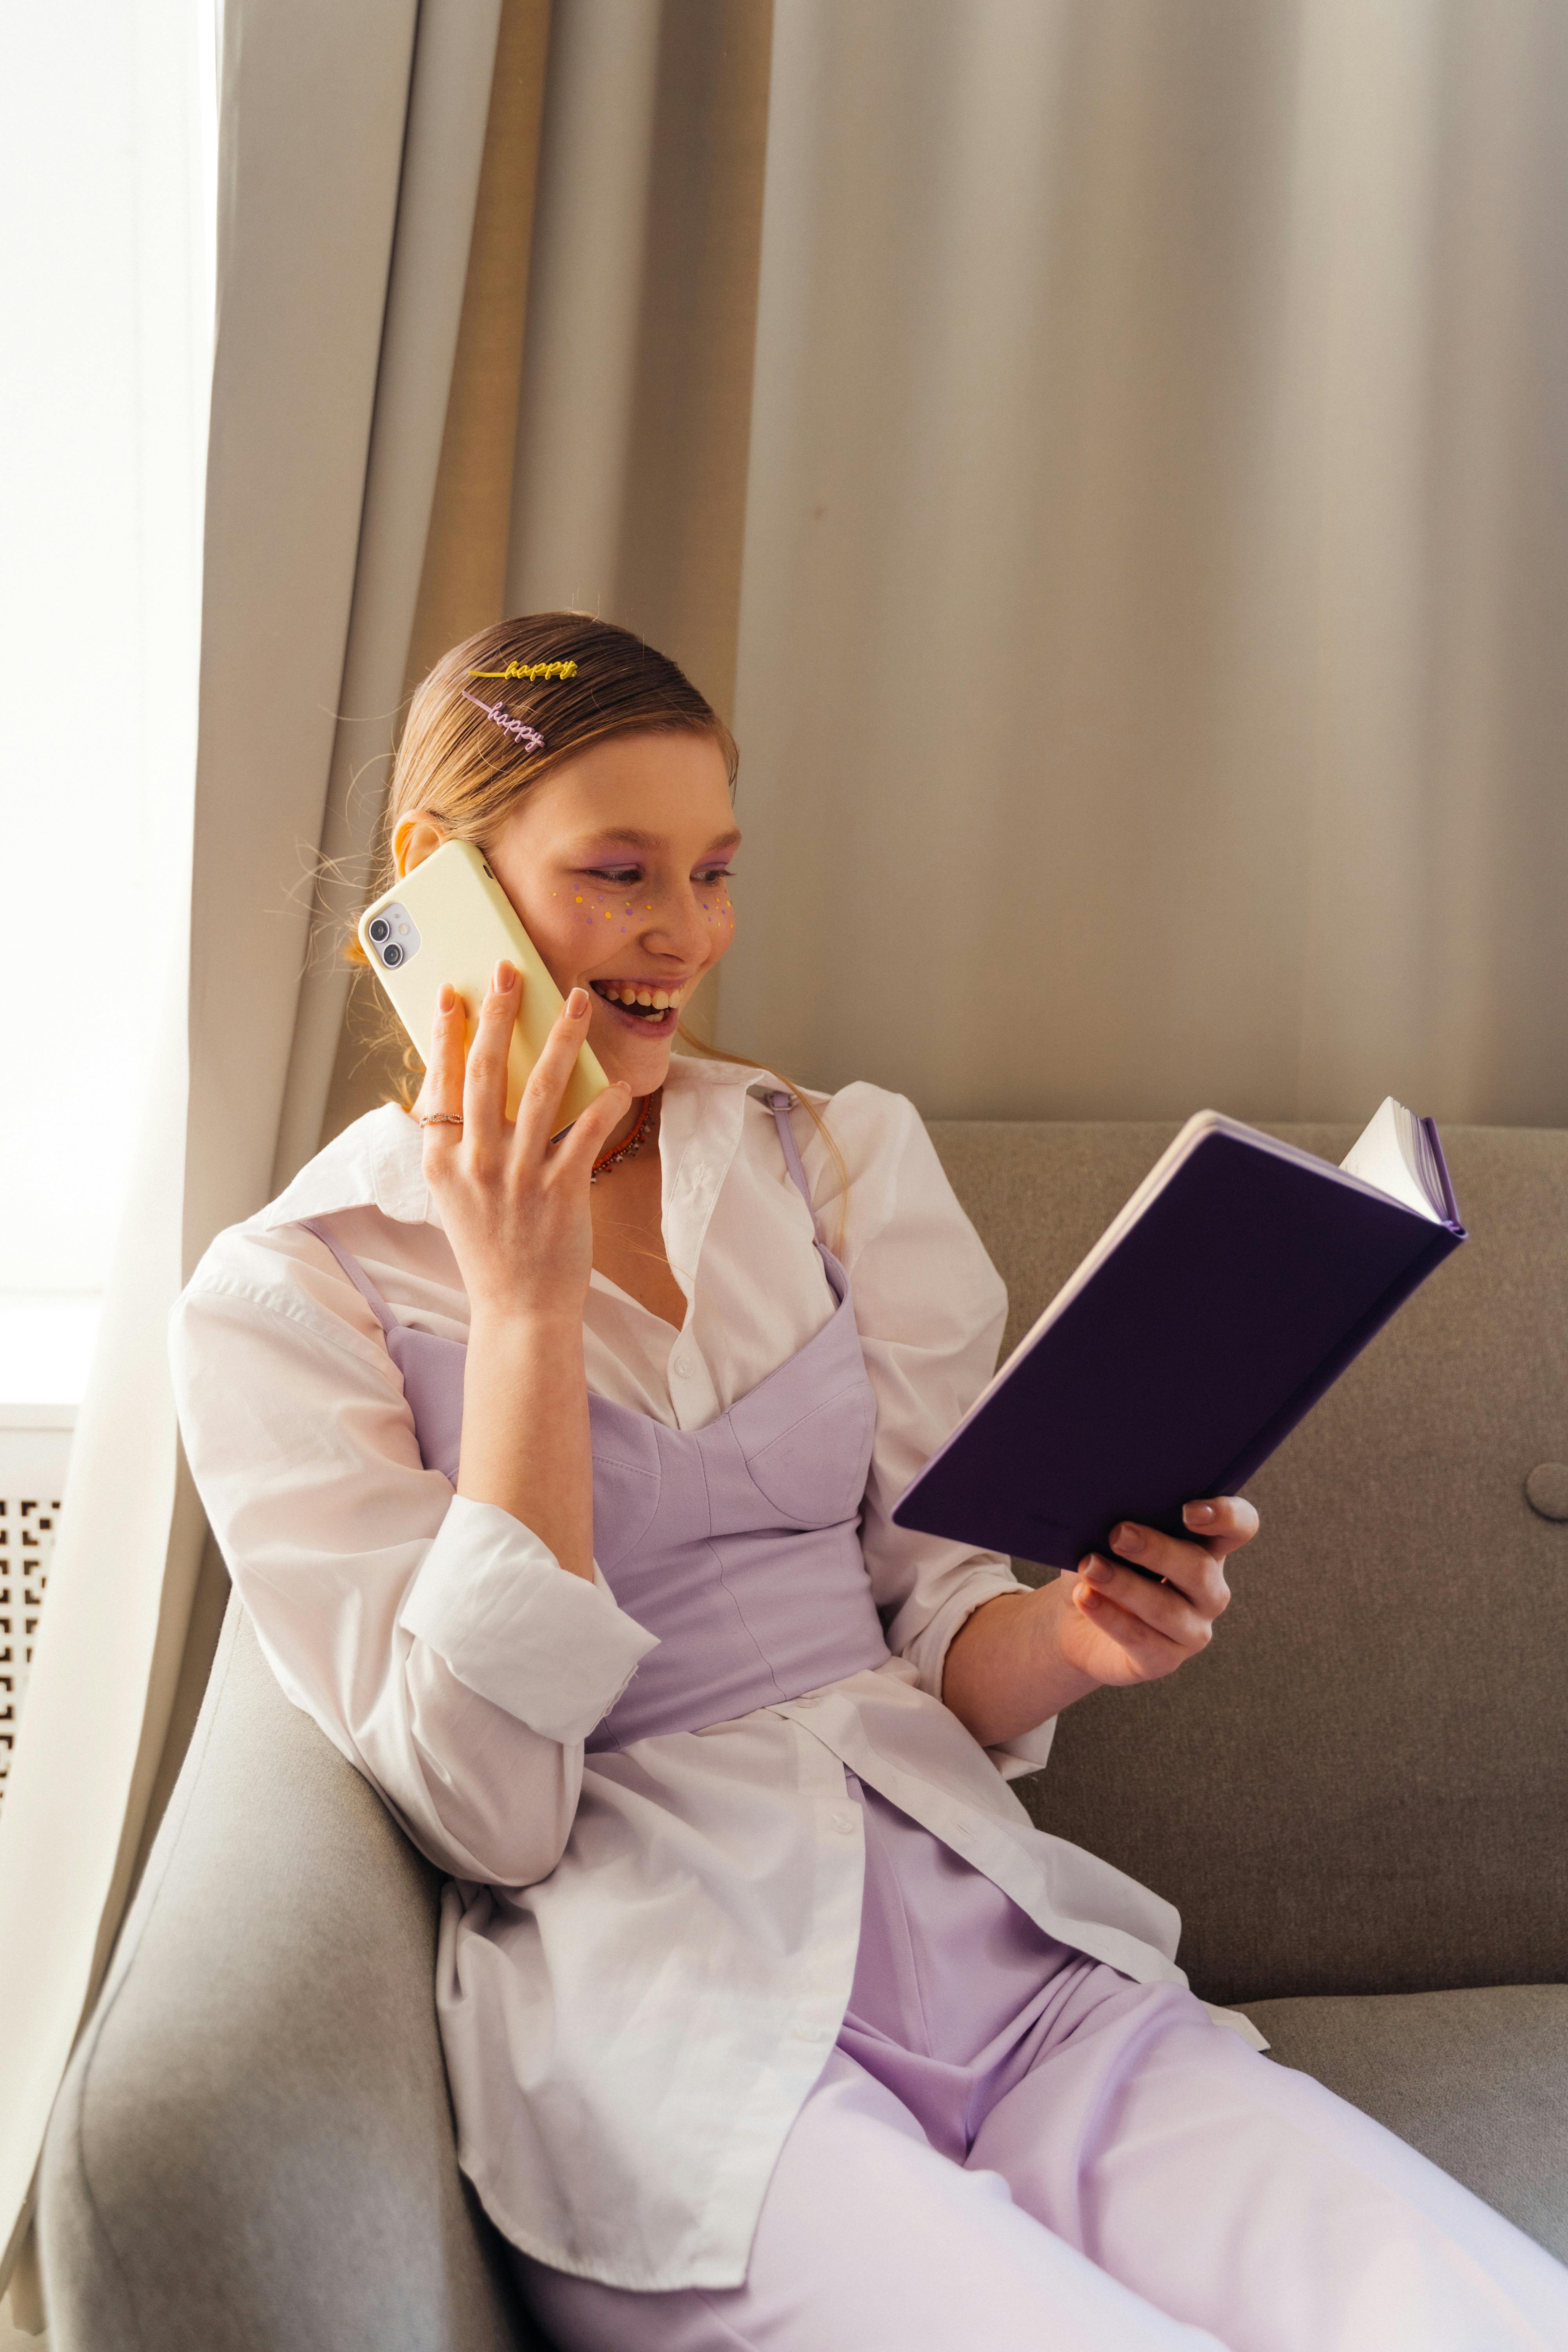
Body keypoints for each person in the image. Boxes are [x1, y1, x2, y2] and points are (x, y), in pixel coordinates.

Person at [171, 615, 1568, 2352]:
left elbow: (935, 1629)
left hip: (999, 1955)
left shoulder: (830, 1161)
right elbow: (491, 1811)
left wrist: (1075, 1634)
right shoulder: (289, 1293)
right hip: (673, 2033)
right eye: (618, 872)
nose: (685, 934)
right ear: (432, 886)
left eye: (715, 871)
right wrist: (521, 1301)